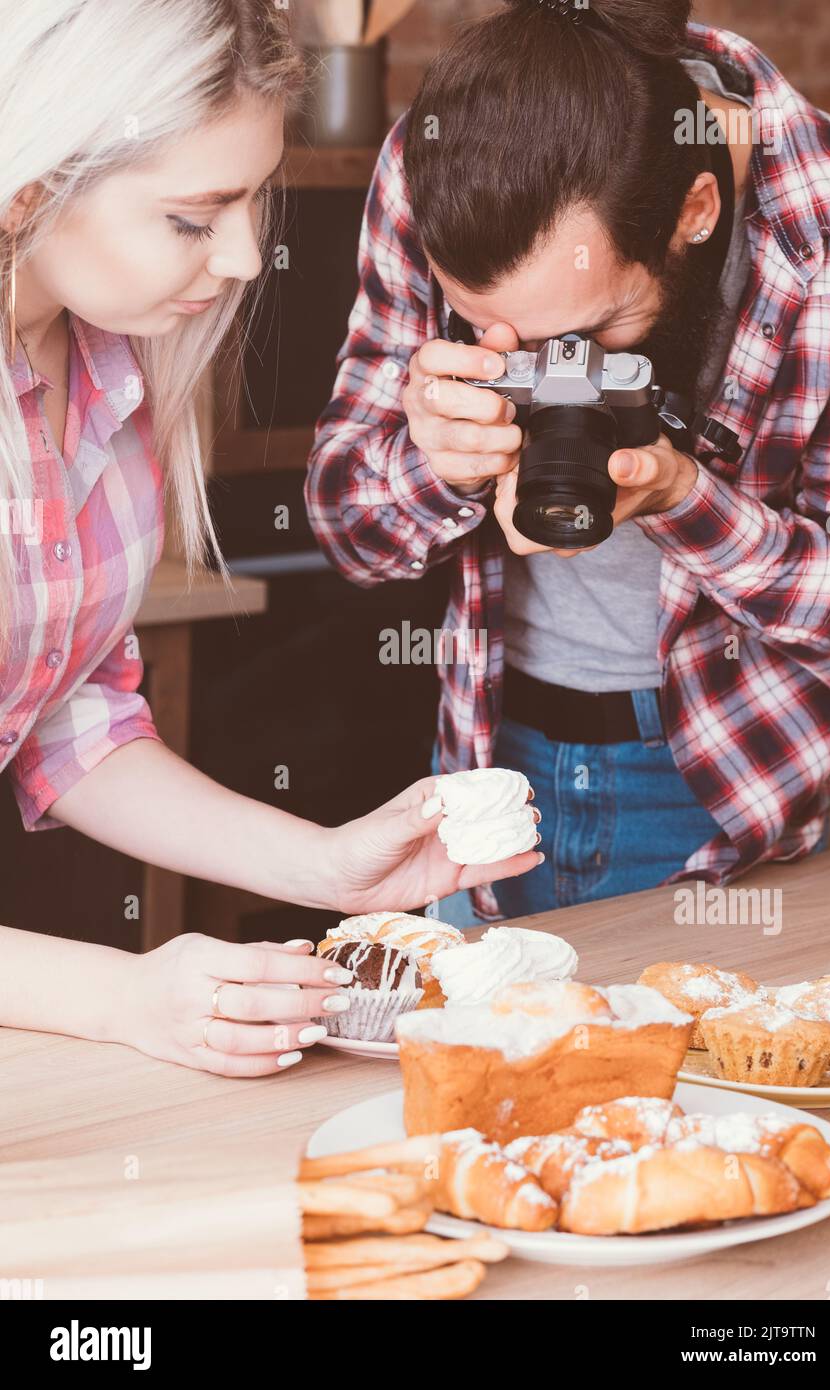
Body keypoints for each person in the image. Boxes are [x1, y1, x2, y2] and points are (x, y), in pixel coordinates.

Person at [0, 0, 542, 1075]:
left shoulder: (106, 371)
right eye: (196, 217)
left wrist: (330, 868)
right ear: (30, 186)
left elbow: (69, 720)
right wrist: (119, 995)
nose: (247, 257)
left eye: (254, 200)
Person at [306, 0, 830, 926]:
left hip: (729, 795)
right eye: (510, 346)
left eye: (590, 339)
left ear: (696, 211)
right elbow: (345, 530)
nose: (553, 372)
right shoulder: (439, 161)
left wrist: (683, 498)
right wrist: (435, 464)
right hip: (486, 755)